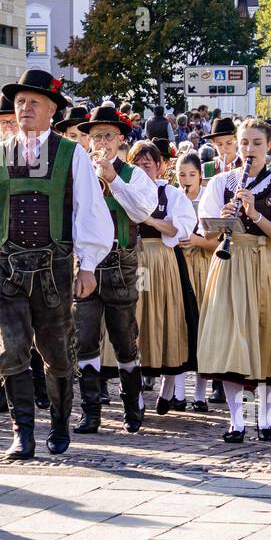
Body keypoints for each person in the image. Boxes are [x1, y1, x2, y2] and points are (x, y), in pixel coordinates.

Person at [0, 70, 110, 459]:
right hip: (7, 269)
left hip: (55, 271)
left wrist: (88, 265)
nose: (25, 108)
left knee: (58, 352)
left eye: (34, 102)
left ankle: (61, 423)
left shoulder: (72, 155)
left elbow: (90, 212)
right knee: (10, 349)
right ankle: (22, 432)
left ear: (52, 109)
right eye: (20, 102)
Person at [195, 117, 271, 443]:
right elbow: (205, 229)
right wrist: (224, 218)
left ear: (269, 147)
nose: (250, 149)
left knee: (265, 335)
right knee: (230, 337)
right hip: (229, 262)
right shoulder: (220, 182)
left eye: (257, 143)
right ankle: (237, 420)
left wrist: (254, 213)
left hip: (263, 261)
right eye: (244, 143)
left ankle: (266, 417)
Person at [72, 105, 160, 435]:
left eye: (108, 136)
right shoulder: (78, 173)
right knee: (84, 337)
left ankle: (132, 404)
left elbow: (141, 212)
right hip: (85, 265)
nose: (102, 142)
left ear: (121, 139)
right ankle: (91, 410)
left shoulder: (134, 174)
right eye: (95, 136)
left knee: (124, 336)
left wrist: (112, 179)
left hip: (122, 261)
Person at [129, 139, 198, 414]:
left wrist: (149, 221)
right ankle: (133, 394)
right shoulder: (124, 191)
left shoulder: (170, 195)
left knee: (166, 319)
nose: (143, 170)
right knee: (135, 320)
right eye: (137, 165)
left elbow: (179, 230)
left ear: (159, 167)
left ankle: (169, 388)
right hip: (133, 260)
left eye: (148, 165)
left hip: (160, 260)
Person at [176, 150, 220, 411]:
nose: (187, 179)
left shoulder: (206, 201)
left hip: (202, 265)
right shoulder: (174, 197)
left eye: (192, 174)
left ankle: (201, 392)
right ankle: (178, 391)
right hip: (179, 265)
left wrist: (196, 241)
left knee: (202, 326)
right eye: (182, 174)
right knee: (181, 325)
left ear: (200, 177)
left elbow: (217, 242)